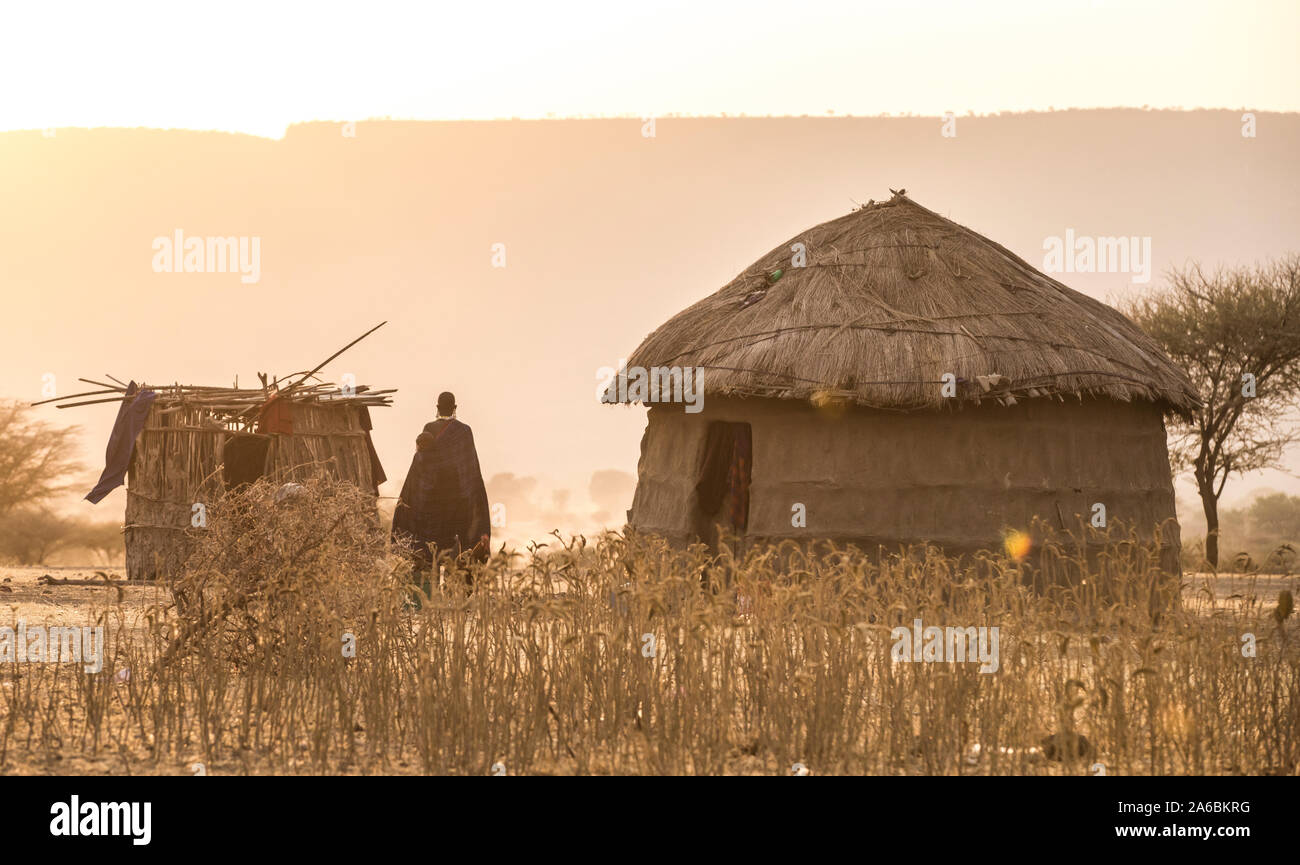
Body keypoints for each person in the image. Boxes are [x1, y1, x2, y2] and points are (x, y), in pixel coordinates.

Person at [391, 392, 490, 599]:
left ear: (437, 407)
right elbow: (470, 472)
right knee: (459, 553)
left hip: (430, 508)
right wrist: (476, 511)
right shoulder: (464, 432)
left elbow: (420, 469)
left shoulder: (428, 430)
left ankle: (426, 600)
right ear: (455, 408)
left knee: (429, 553)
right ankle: (457, 599)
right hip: (457, 507)